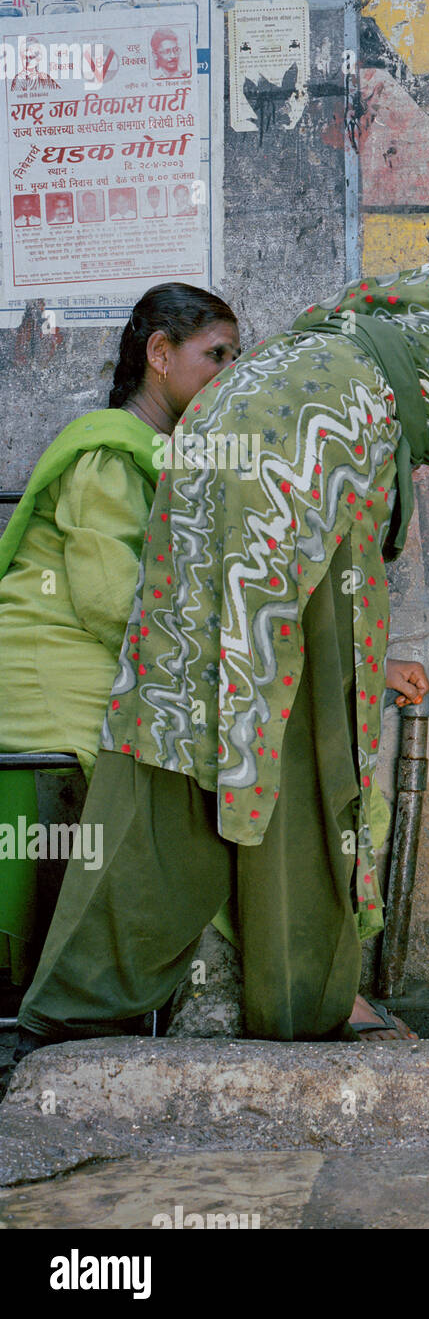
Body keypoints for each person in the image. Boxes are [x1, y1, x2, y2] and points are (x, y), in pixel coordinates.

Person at [12, 232, 429, 1054]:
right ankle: (303, 1004)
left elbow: (342, 312)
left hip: (221, 427)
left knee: (177, 704)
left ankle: (75, 1009)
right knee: (312, 735)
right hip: (312, 461)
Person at [0, 284, 239, 982]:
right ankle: (270, 962)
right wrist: (213, 668)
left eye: (237, 357)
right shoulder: (109, 452)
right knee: (195, 769)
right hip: (48, 665)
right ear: (159, 355)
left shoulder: (162, 453)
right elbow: (113, 601)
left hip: (98, 654)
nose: (231, 373)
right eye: (216, 355)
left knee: (226, 750)